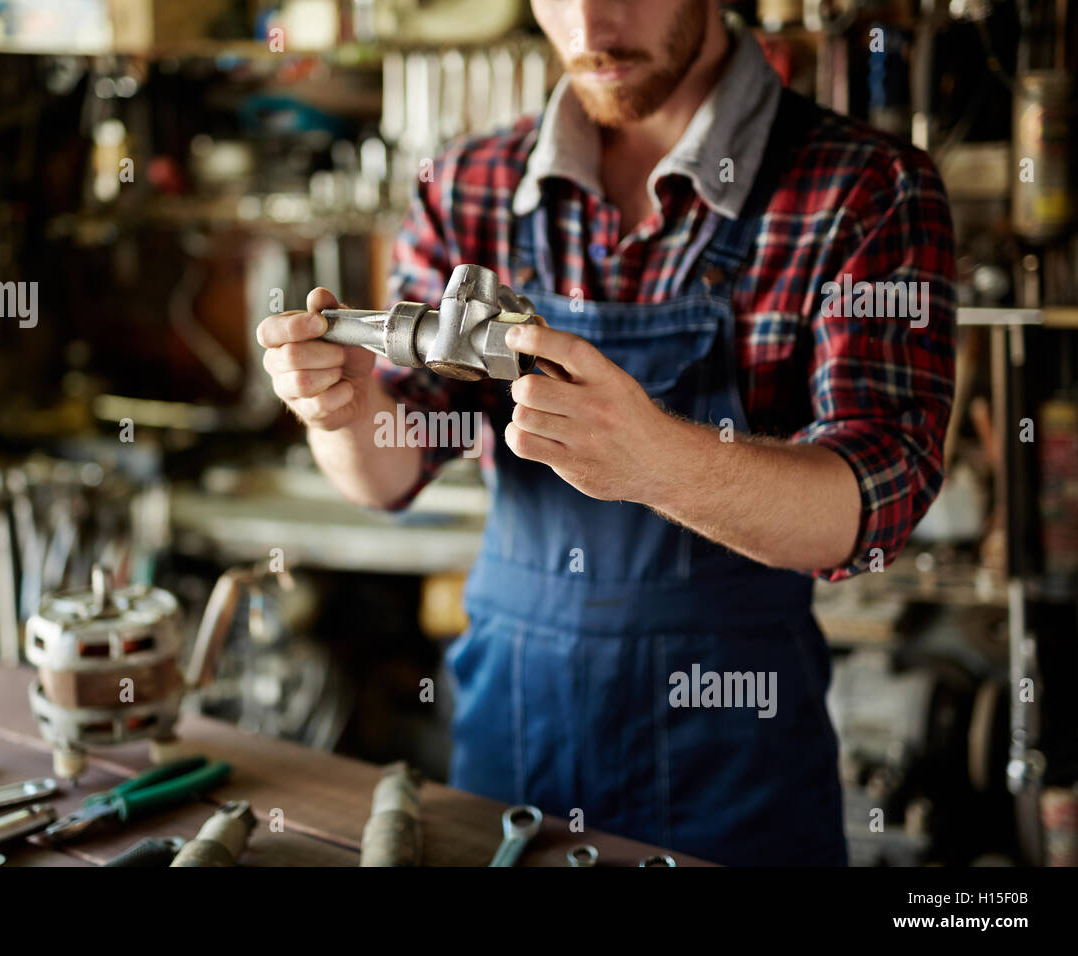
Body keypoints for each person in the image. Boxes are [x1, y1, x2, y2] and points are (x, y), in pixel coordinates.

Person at [256, 0, 956, 866]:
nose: (590, 25)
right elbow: (384, 474)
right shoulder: (472, 183)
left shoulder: (864, 187)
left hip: (735, 765)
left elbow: (874, 502)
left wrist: (657, 460)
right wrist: (340, 410)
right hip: (514, 743)